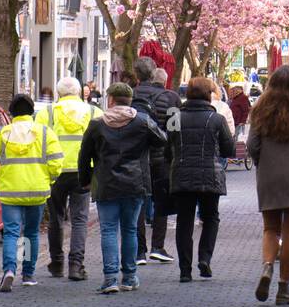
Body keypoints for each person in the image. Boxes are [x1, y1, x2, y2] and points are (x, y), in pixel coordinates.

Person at [78, 82, 167, 293]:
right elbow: (162, 139)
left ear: (110, 100)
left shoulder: (97, 124)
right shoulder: (142, 122)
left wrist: (85, 180)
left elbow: (84, 156)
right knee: (130, 229)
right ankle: (129, 276)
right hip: (135, 184)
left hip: (106, 185)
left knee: (108, 230)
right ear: (130, 100)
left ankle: (110, 279)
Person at [0, 94, 64, 292]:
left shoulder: (2, 133)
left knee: (11, 233)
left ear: (12, 113)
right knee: (31, 233)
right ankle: (28, 274)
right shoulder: (44, 133)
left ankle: (9, 270)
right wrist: (48, 178)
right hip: (36, 190)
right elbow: (56, 161)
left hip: (10, 191)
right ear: (32, 111)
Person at [247, 65, 289, 306]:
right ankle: (284, 288)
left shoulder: (260, 110)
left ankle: (267, 266)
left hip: (268, 174)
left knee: (270, 228)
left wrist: (262, 163)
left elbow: (253, 145)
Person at [165, 76, 235, 282]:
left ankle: (184, 270)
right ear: (208, 95)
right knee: (211, 217)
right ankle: (205, 258)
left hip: (182, 174)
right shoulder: (216, 119)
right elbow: (229, 149)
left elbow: (167, 145)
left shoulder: (174, 116)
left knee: (184, 221)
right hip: (209, 175)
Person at [36, 76, 101, 281]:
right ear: (80, 92)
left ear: (59, 94)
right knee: (80, 219)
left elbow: (38, 141)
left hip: (55, 172)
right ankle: (76, 266)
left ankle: (57, 263)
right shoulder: (93, 112)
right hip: (84, 172)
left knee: (56, 218)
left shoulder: (47, 113)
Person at [131, 58, 181, 265]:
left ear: (136, 75)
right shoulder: (171, 98)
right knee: (161, 200)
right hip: (161, 158)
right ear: (154, 74)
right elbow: (175, 130)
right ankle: (158, 246)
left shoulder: (128, 95)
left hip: (135, 156)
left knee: (138, 201)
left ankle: (139, 251)